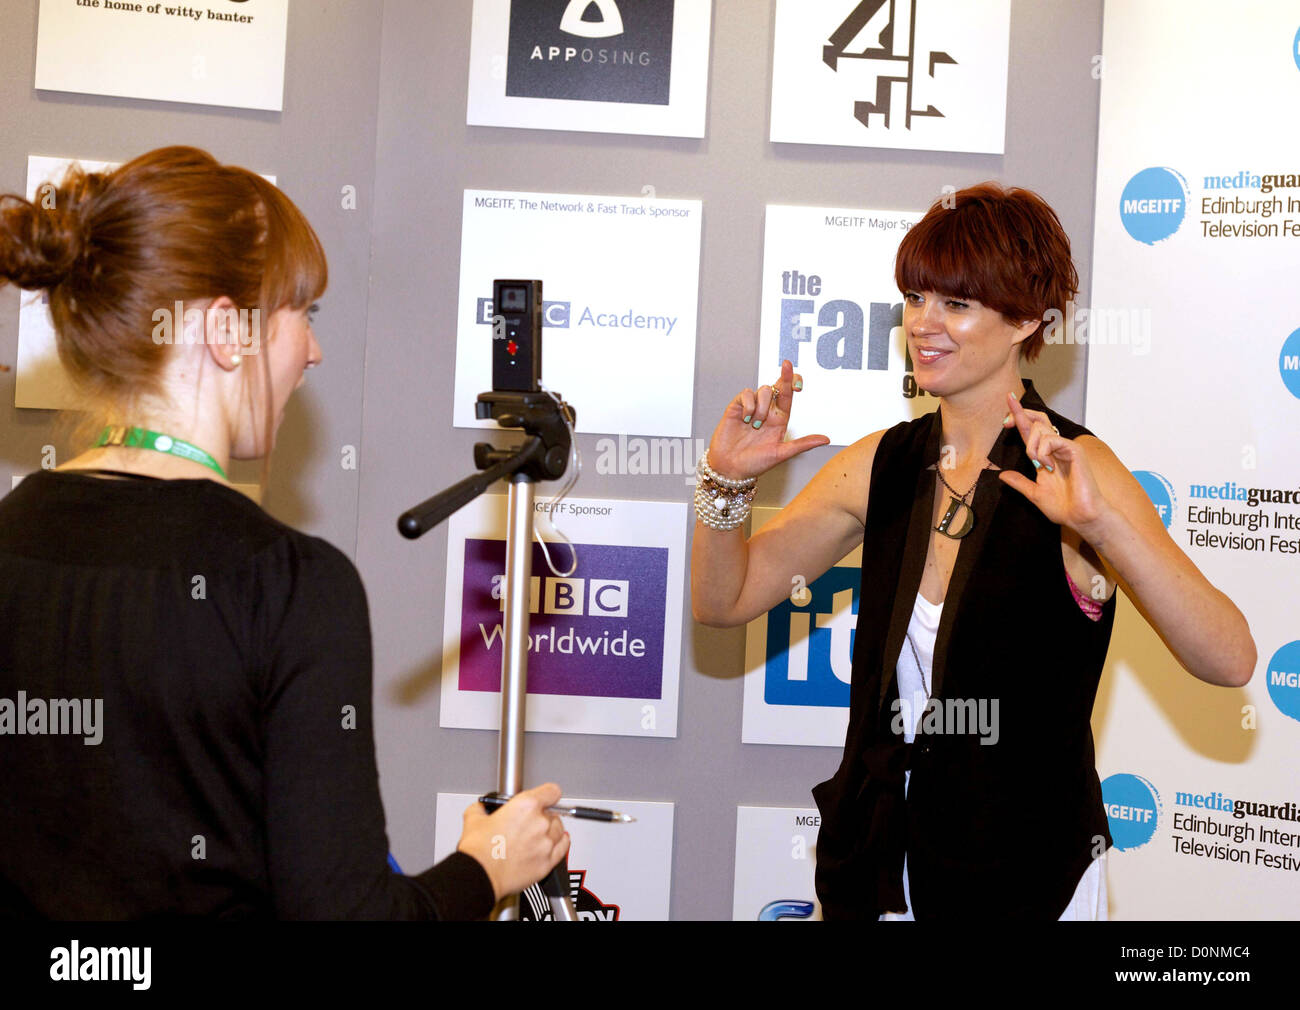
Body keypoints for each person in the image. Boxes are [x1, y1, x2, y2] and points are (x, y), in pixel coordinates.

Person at [0, 146, 569, 919]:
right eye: (303, 312)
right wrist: (486, 866)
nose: (313, 350)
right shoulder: (289, 582)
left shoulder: (13, 531)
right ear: (229, 330)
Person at [691, 182, 1256, 920]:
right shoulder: (880, 463)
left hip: (1027, 880)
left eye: (956, 304)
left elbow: (1230, 658)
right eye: (917, 297)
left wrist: (1105, 529)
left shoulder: (1077, 469)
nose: (925, 323)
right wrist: (724, 485)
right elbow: (723, 600)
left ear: (1026, 319)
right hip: (880, 869)